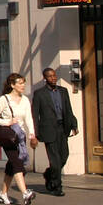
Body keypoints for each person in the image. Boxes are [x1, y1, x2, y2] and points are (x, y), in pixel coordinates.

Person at [0, 73, 38, 205]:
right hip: (8, 137)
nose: (22, 85)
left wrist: (32, 134)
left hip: (20, 136)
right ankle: (25, 193)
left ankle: (3, 193)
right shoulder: (4, 100)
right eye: (20, 83)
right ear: (12, 85)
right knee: (17, 163)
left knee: (12, 166)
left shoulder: (25, 100)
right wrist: (8, 122)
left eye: (23, 83)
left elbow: (29, 118)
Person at [32, 66, 78, 196]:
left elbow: (68, 109)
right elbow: (35, 114)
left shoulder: (63, 91)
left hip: (62, 128)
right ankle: (57, 186)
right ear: (45, 78)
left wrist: (74, 124)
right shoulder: (39, 94)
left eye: (54, 75)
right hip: (48, 130)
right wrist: (34, 133)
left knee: (64, 156)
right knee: (55, 160)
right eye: (50, 76)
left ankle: (49, 174)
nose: (53, 78)